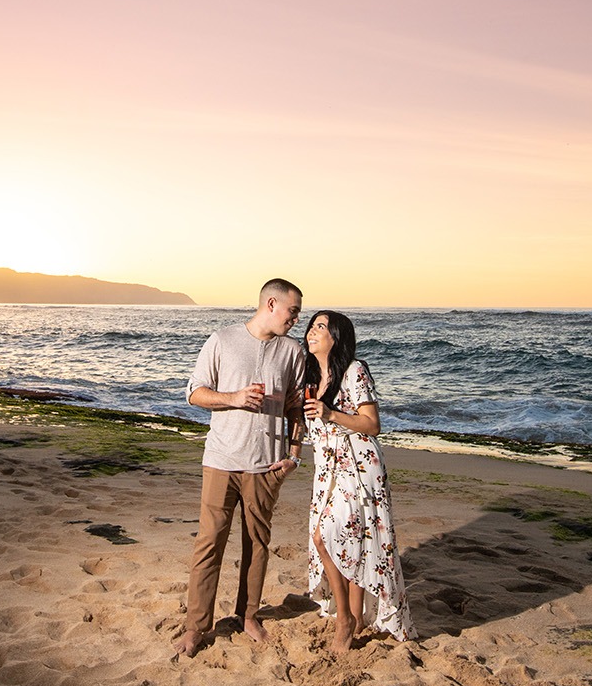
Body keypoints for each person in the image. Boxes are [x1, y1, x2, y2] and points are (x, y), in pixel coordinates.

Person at [172, 278, 306, 659]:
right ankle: (197, 627)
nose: (296, 319)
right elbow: (195, 392)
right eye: (292, 311)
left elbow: (296, 408)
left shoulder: (292, 352)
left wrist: (293, 455)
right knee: (209, 543)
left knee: (257, 543)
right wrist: (233, 397)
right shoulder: (223, 340)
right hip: (221, 460)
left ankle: (248, 615)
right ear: (270, 303)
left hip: (266, 464)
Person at [301, 310, 413, 653]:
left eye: (322, 327)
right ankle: (352, 615)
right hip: (326, 468)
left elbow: (372, 424)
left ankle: (347, 620)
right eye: (312, 325)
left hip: (358, 466)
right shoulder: (309, 376)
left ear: (337, 337)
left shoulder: (354, 370)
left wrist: (331, 413)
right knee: (339, 539)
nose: (312, 331)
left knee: (334, 537)